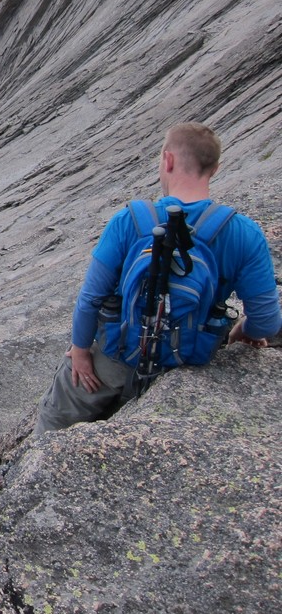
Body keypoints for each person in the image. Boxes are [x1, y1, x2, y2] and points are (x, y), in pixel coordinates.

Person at [36, 123, 281, 434]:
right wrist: (241, 331)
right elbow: (267, 321)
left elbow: (90, 298)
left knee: (53, 422)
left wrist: (81, 351)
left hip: (114, 358)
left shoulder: (129, 221)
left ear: (167, 160)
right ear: (215, 169)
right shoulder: (242, 234)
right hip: (186, 364)